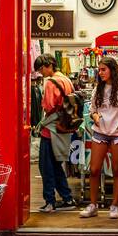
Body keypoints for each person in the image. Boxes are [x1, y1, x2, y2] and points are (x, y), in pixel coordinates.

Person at [80, 56, 118, 220]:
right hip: (100, 132)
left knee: (117, 170)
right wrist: (95, 115)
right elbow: (92, 109)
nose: (100, 72)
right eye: (99, 70)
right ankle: (93, 205)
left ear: (112, 70)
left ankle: (115, 205)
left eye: (103, 69)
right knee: (94, 170)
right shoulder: (97, 88)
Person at [34, 55, 77, 212]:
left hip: (51, 129)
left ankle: (50, 201)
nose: (41, 73)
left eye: (41, 69)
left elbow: (48, 106)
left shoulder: (51, 83)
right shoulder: (66, 79)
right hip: (64, 127)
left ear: (48, 65)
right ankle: (67, 198)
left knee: (46, 166)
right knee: (56, 165)